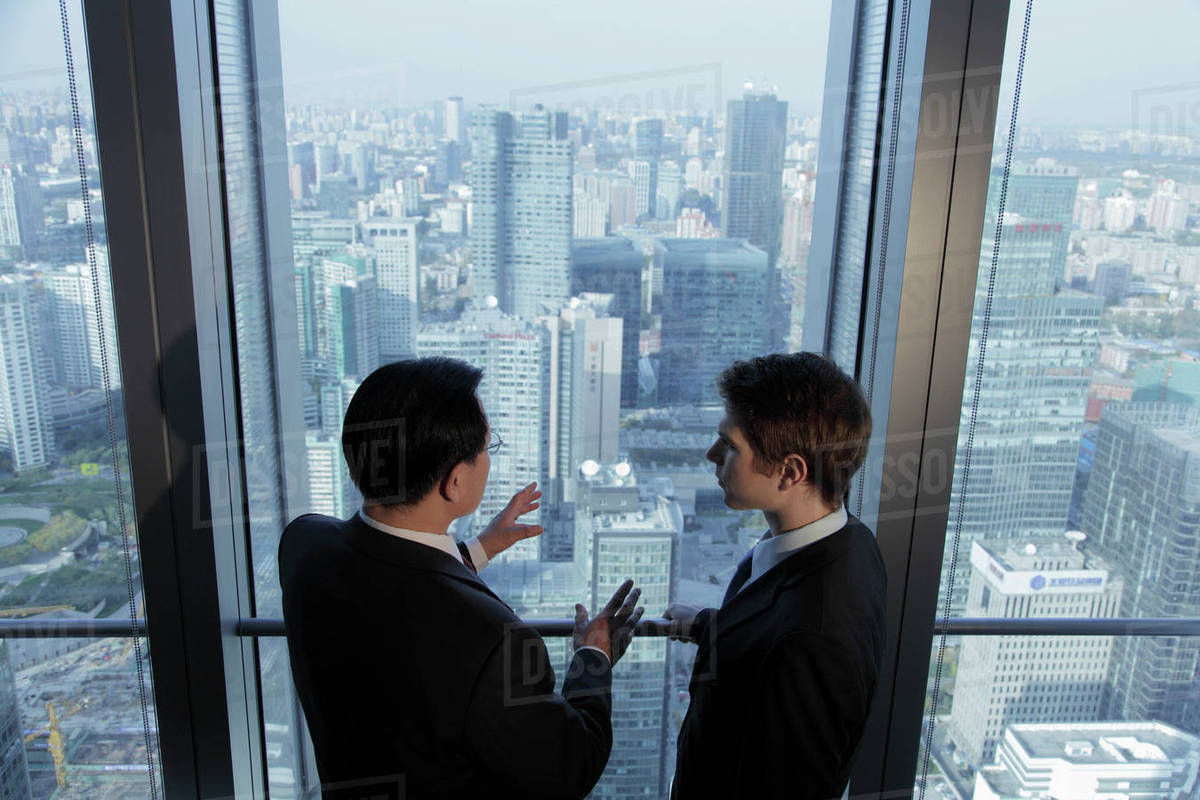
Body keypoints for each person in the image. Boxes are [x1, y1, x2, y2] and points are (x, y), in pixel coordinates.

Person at [279, 357, 643, 799]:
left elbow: (388, 588)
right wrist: (593, 656)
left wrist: (477, 549)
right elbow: (568, 768)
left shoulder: (304, 545)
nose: (489, 459)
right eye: (488, 447)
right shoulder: (494, 642)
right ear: (454, 482)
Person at [664, 352, 887, 799]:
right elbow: (770, 644)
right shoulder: (850, 541)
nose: (712, 455)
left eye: (729, 446)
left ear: (790, 472)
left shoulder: (812, 643)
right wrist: (712, 627)